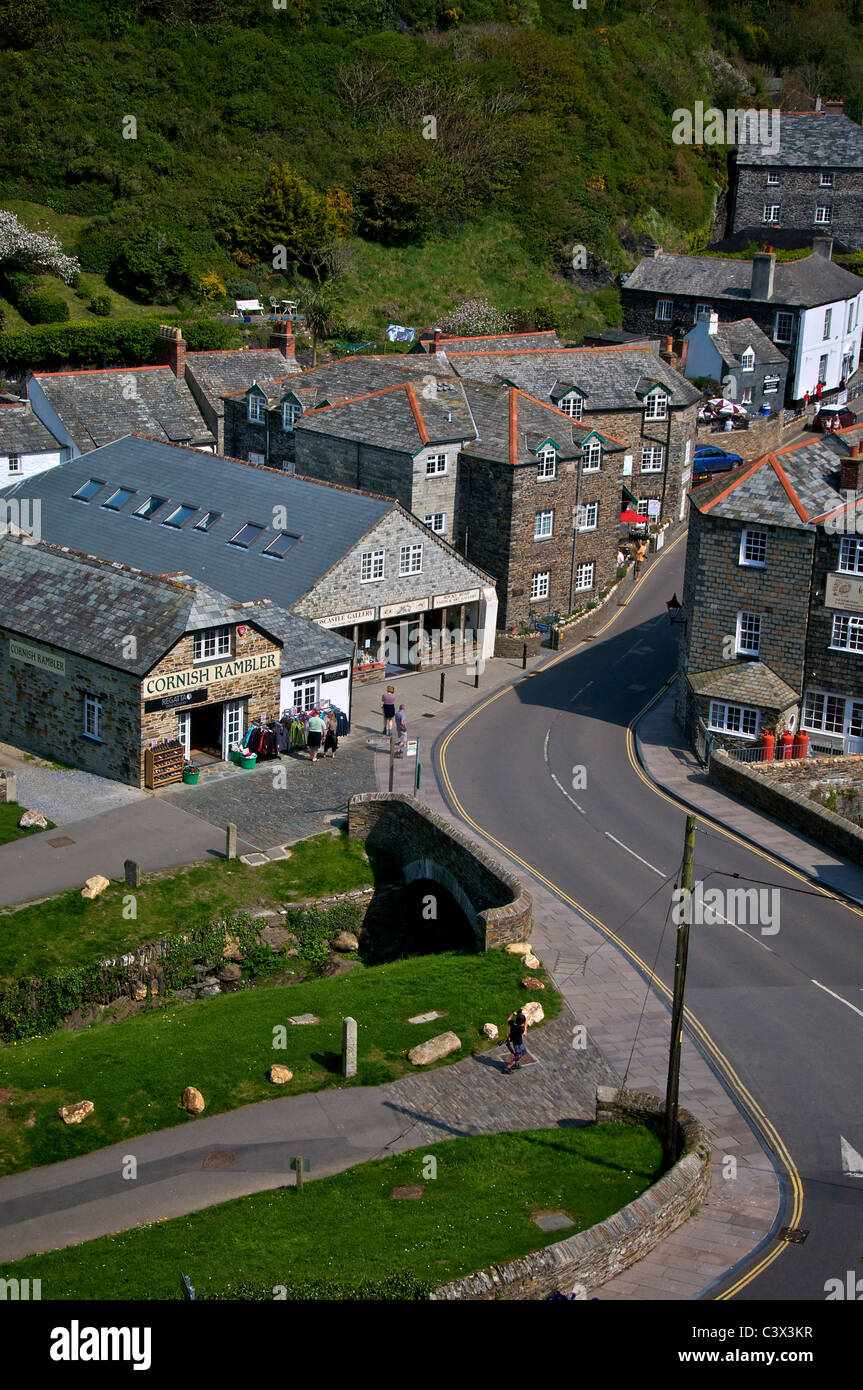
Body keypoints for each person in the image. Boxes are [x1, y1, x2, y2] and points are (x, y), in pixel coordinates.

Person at [504, 1006, 529, 1072]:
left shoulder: (513, 1024)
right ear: (522, 1022)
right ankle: (508, 1068)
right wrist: (525, 1026)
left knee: (523, 1052)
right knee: (517, 1056)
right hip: (517, 1044)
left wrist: (513, 1014)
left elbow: (508, 1020)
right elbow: (525, 1033)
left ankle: (516, 1063)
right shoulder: (519, 1029)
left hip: (518, 1042)